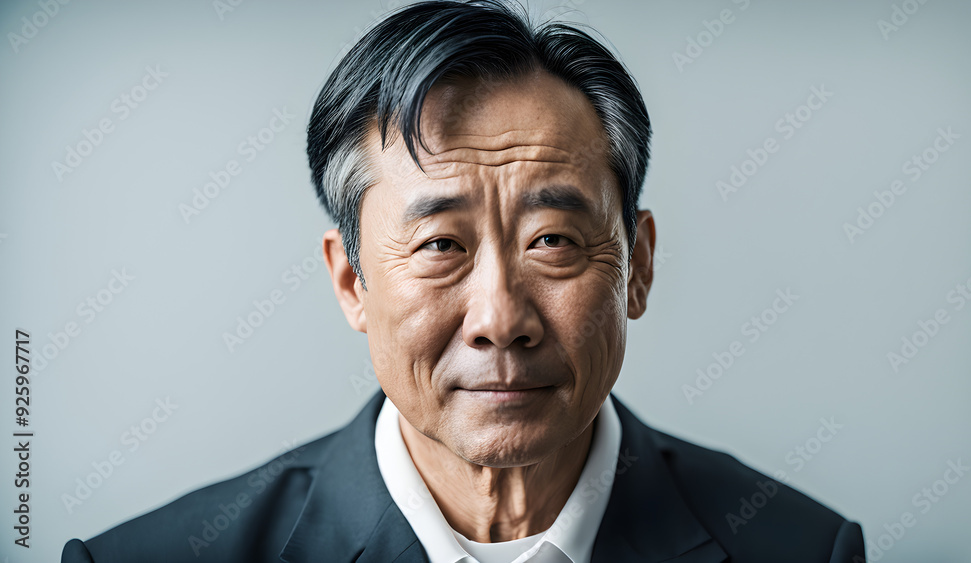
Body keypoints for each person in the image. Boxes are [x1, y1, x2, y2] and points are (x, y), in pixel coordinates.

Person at [62, 1, 866, 561]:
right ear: (352, 283)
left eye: (552, 239)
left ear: (638, 266)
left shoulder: (798, 546)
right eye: (441, 243)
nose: (500, 317)